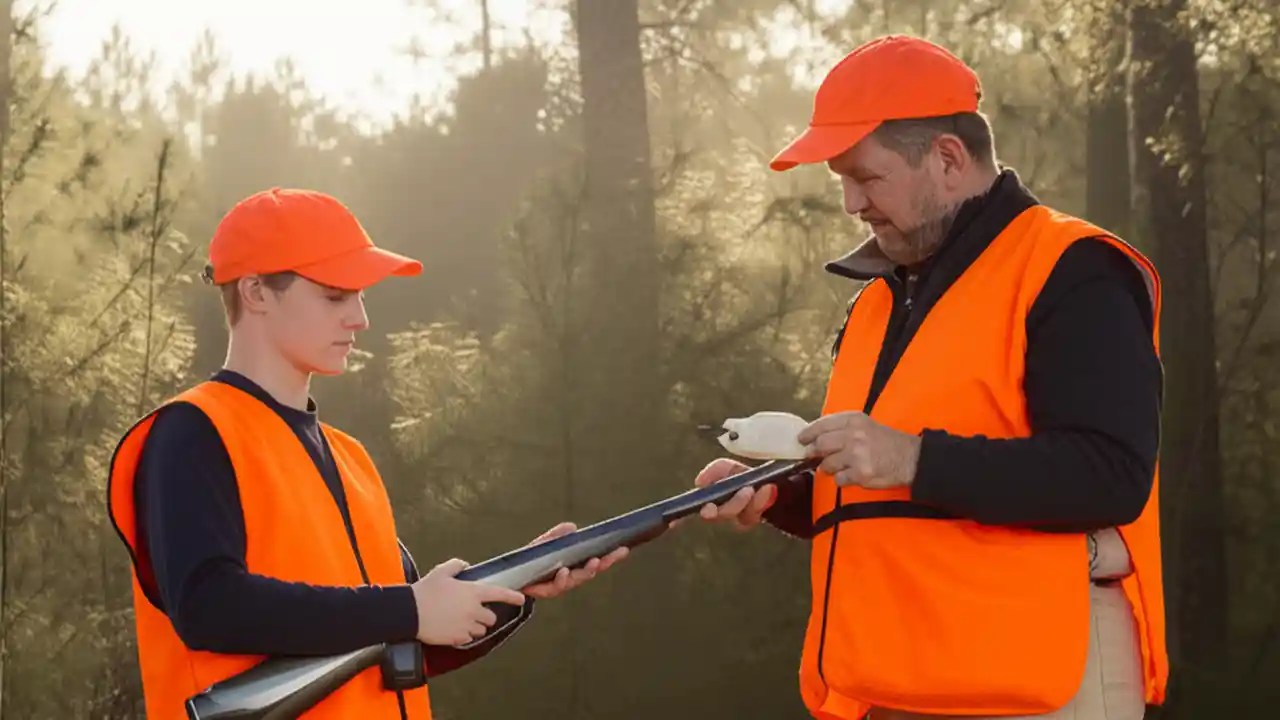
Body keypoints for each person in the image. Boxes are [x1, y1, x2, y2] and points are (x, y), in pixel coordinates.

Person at [693, 35, 1167, 720]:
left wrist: (910, 455)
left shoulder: (1073, 269)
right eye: (841, 182)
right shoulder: (881, 297)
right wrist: (780, 497)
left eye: (867, 176)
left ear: (947, 159)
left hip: (1035, 685)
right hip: (899, 683)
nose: (852, 203)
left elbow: (1110, 474)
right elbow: (891, 496)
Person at [106, 187, 626, 719]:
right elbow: (209, 606)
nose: (360, 318)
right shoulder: (192, 432)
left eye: (360, 296)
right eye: (335, 296)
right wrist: (408, 608)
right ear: (256, 291)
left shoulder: (349, 458)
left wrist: (521, 585)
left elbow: (396, 647)